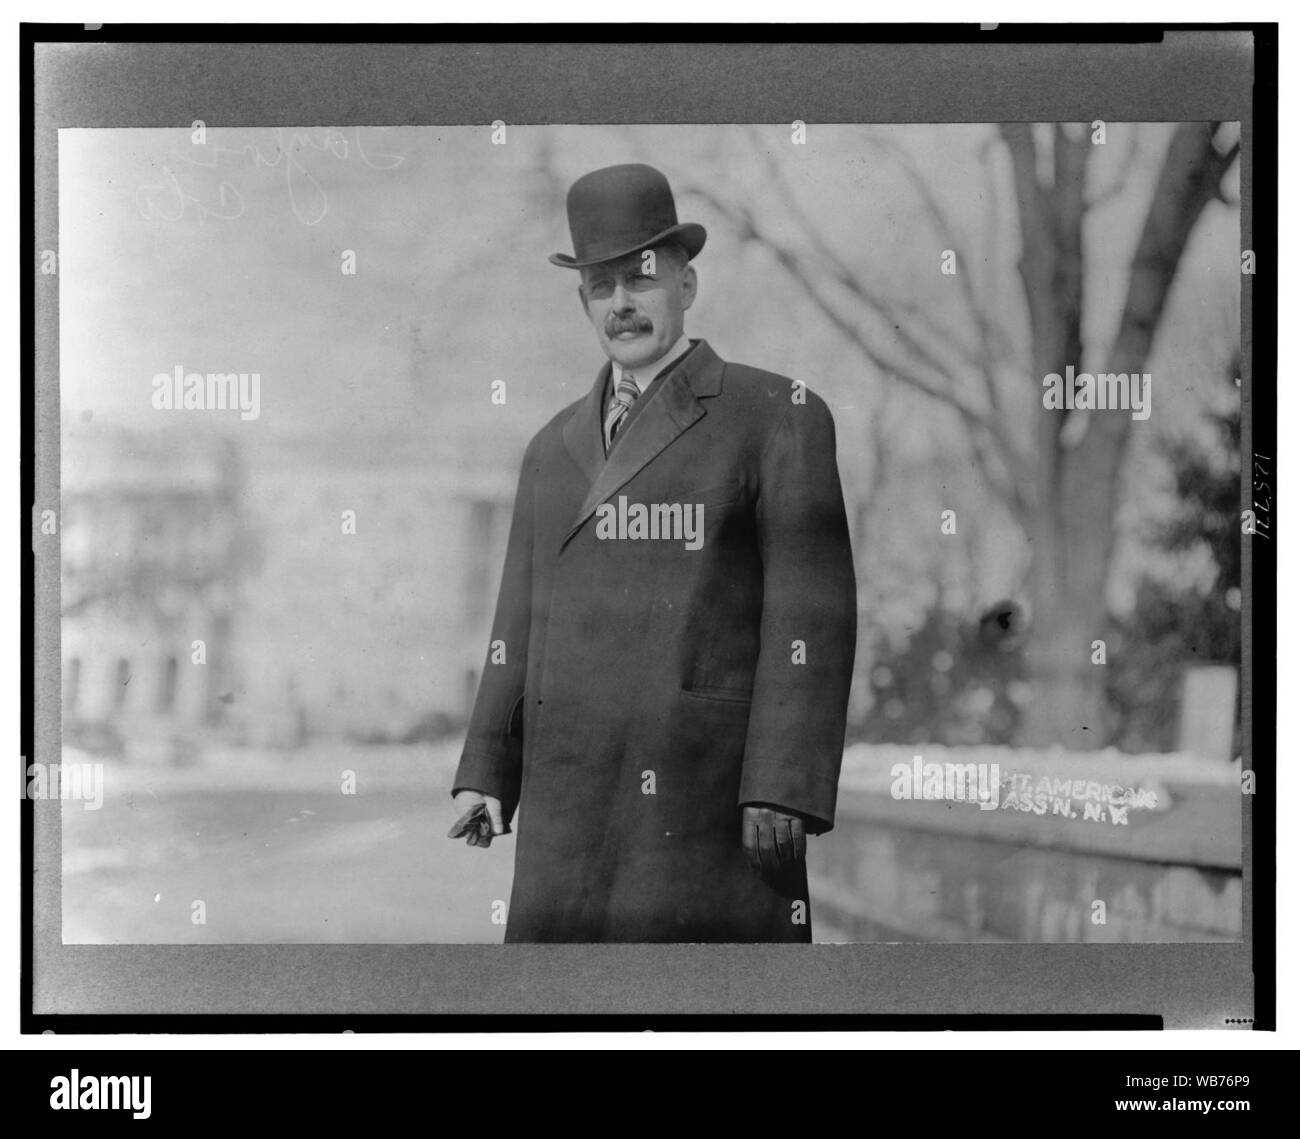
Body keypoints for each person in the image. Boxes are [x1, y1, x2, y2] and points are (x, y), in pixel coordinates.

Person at [449, 163, 857, 942]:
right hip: (567, 813)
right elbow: (517, 621)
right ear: (583, 302)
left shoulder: (775, 416)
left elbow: (813, 614)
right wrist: (487, 772)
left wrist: (782, 785)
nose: (623, 304)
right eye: (602, 288)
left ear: (687, 283)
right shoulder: (550, 448)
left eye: (641, 278)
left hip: (702, 805)